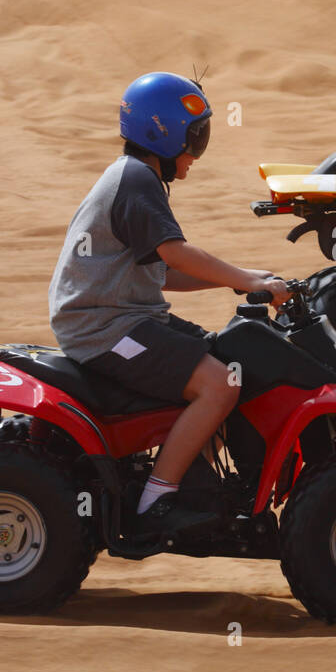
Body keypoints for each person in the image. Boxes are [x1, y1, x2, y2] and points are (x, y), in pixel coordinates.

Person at [48, 72, 290, 537]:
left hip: (124, 319)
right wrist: (240, 277)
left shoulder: (135, 178)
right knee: (220, 386)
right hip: (104, 332)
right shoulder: (136, 180)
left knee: (226, 361)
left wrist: (242, 282)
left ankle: (198, 485)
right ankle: (156, 503)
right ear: (161, 132)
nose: (197, 152)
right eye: (195, 138)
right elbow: (176, 253)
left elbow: (163, 272)